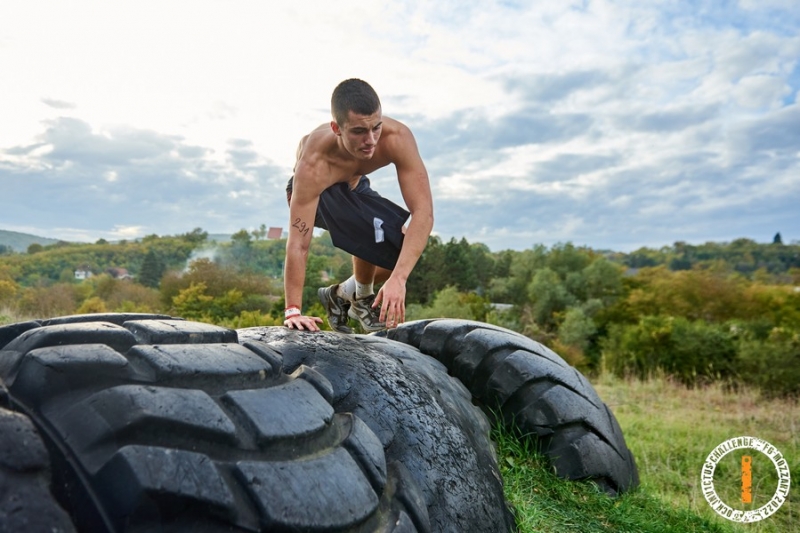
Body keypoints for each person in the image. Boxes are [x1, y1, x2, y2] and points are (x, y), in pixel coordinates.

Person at [283, 78, 433, 332]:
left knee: (403, 249)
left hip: (354, 186)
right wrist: (292, 311)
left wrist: (399, 279)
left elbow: (424, 213)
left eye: (376, 127)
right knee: (365, 222)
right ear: (336, 128)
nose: (371, 140)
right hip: (318, 194)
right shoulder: (314, 165)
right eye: (359, 131)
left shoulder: (397, 138)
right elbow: (299, 243)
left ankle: (341, 294)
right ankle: (363, 298)